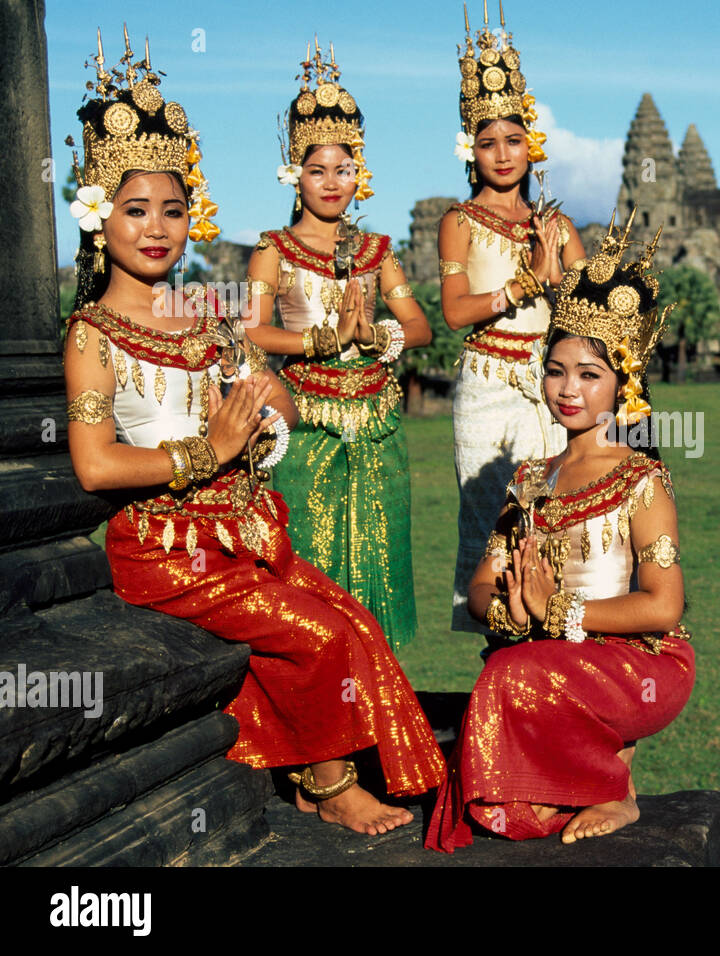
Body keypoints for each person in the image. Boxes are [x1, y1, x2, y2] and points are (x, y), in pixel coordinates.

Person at [62, 30, 443, 834]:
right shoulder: (93, 333)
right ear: (100, 216)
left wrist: (268, 405)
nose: (158, 228)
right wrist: (209, 450)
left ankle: (317, 774)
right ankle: (328, 783)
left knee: (355, 621)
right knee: (318, 632)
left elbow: (281, 411)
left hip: (243, 532)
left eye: (172, 209)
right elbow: (95, 467)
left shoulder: (204, 316)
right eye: (135, 210)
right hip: (166, 550)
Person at [427, 213, 693, 851]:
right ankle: (569, 777)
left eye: (589, 374)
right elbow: (482, 588)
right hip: (546, 652)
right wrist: (516, 614)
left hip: (640, 662)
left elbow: (664, 607)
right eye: (556, 370)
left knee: (509, 678)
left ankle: (612, 785)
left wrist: (561, 611)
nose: (568, 389)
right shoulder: (530, 478)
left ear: (623, 385)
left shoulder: (640, 478)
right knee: (508, 771)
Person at [244, 41, 431, 652]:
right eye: (317, 169)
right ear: (293, 172)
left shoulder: (377, 253)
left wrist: (377, 335)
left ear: (361, 174)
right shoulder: (273, 248)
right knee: (313, 560)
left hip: (377, 419)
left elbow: (421, 326)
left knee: (379, 561)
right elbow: (251, 329)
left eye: (343, 169)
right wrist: (322, 338)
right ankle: (317, 707)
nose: (331, 183)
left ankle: (378, 710)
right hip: (307, 424)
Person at [441, 4, 586, 635]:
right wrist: (527, 281)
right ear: (470, 149)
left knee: (554, 523)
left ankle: (554, 659)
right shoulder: (459, 222)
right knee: (493, 525)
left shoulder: (555, 225)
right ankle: (498, 667)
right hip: (488, 387)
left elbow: (590, 311)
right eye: (487, 142)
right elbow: (454, 312)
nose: (502, 154)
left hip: (551, 389)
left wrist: (566, 284)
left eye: (514, 140)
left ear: (532, 146)